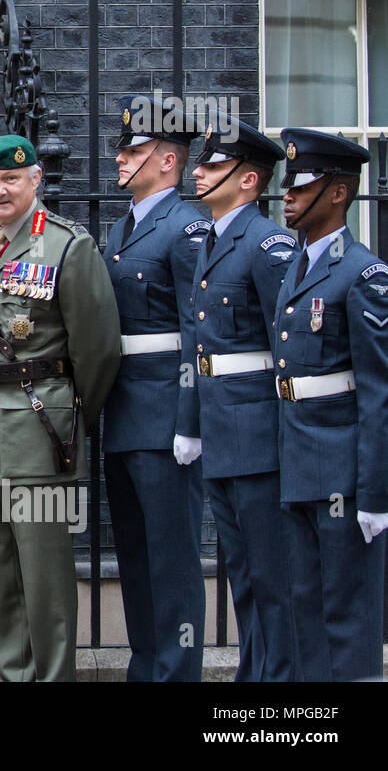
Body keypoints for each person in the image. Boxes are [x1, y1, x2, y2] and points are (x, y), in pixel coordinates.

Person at [0, 134, 120, 681]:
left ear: (35, 180)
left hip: (41, 431)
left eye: (10, 180)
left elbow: (97, 348)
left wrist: (74, 416)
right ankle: (14, 672)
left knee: (44, 573)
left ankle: (51, 677)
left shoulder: (68, 246)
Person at [273, 128, 388, 681]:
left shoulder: (362, 275)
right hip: (298, 462)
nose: (287, 194)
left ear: (337, 193)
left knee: (348, 611)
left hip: (342, 469)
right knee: (305, 608)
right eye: (287, 183)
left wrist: (375, 493)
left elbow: (378, 392)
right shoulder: (297, 266)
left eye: (302, 184)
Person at [185, 114, 297, 681]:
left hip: (259, 429)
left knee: (273, 576)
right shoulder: (214, 238)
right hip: (223, 424)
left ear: (249, 180)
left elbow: (291, 346)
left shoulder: (268, 244)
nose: (198, 173)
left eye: (212, 165)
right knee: (245, 574)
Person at [102, 95, 207, 682]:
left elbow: (198, 331)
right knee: (135, 557)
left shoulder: (188, 229)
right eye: (122, 149)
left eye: (135, 151)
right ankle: (146, 669)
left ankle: (176, 674)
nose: (121, 160)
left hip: (167, 412)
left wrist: (190, 420)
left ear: (168, 161)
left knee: (172, 560)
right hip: (124, 410)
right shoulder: (122, 227)